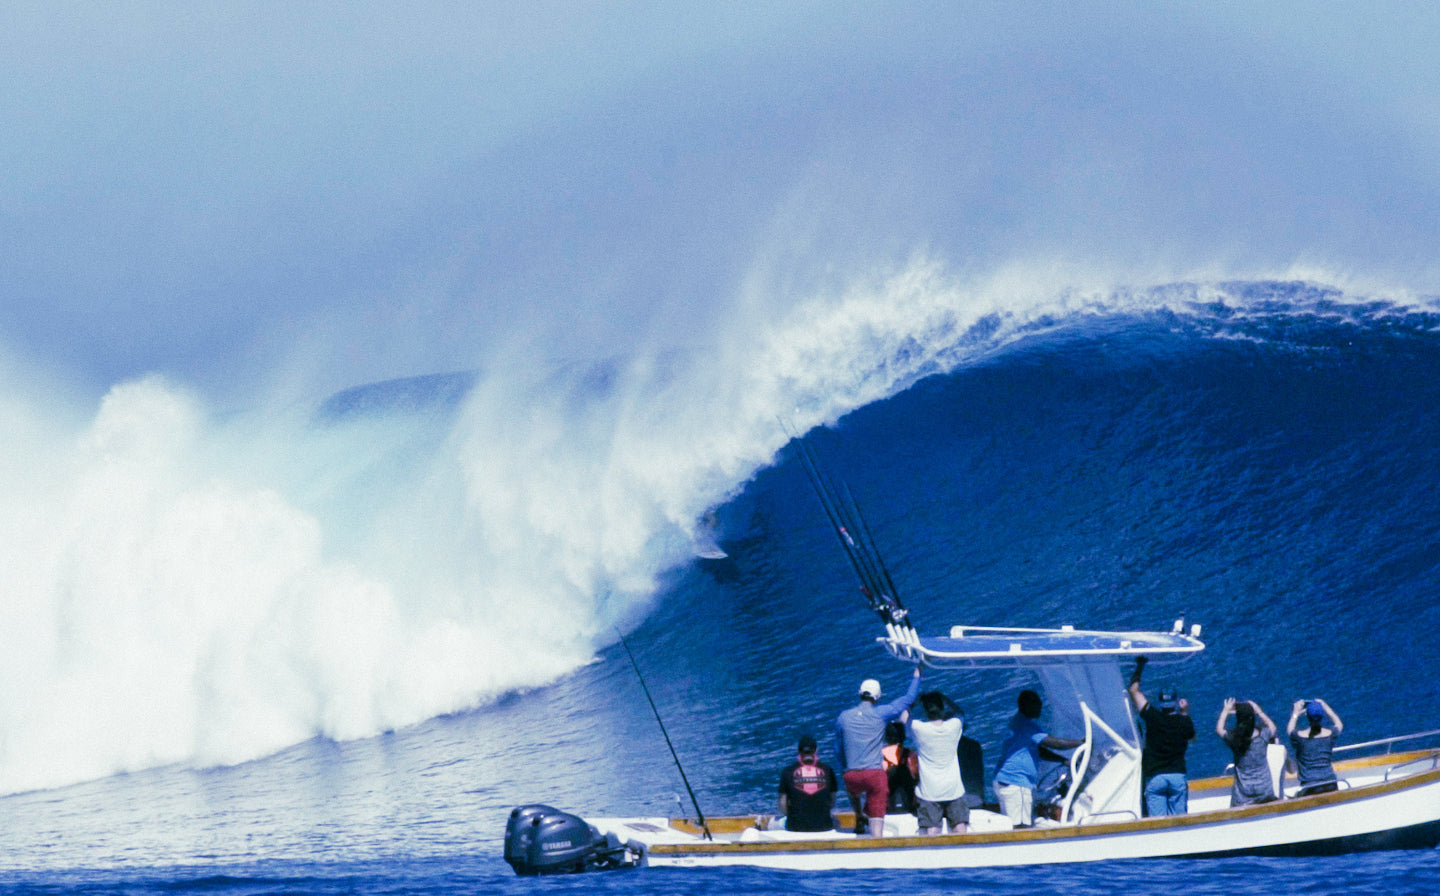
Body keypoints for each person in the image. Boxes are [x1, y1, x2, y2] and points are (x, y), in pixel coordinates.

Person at [836, 667, 922, 836]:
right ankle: (877, 838)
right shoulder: (880, 714)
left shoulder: (843, 717)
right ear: (878, 697)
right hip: (874, 775)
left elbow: (838, 752)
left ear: (859, 693)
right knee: (877, 808)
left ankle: (859, 815)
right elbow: (908, 698)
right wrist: (917, 675)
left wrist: (845, 771)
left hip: (851, 776)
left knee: (853, 788)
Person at [992, 689, 1084, 827]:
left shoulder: (1017, 723)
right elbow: (1055, 743)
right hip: (1017, 784)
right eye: (1037, 703)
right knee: (1021, 827)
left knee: (1014, 825)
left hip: (1006, 781)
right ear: (1026, 705)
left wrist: (1062, 760)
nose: (1041, 706)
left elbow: (1038, 751)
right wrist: (1081, 743)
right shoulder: (1027, 726)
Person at [1127, 656, 1196, 816]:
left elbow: (1133, 690)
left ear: (1160, 702)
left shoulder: (1152, 716)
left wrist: (1140, 665)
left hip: (1155, 776)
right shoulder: (1183, 721)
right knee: (1180, 822)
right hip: (1177, 775)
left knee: (1158, 823)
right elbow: (1192, 738)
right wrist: (1185, 713)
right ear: (1176, 702)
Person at [908, 691, 968, 835]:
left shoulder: (919, 729)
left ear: (926, 711)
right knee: (960, 828)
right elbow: (960, 712)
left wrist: (915, 701)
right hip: (954, 789)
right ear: (942, 709)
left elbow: (903, 716)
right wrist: (944, 697)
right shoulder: (953, 726)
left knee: (932, 831)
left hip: (930, 791)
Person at [1215, 698, 1279, 806]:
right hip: (1265, 790)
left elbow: (1219, 729)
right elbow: (1272, 727)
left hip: (1243, 794)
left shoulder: (1234, 739)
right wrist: (1259, 712)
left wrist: (1225, 711)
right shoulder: (1263, 735)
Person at [778, 734, 838, 832]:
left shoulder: (787, 771)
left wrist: (790, 817)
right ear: (816, 751)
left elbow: (783, 802)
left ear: (799, 752)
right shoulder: (828, 770)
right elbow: (832, 802)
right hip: (824, 826)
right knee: (837, 821)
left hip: (795, 826)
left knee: (772, 823)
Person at [1287, 698, 1344, 797]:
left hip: (1309, 787)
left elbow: (1290, 730)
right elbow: (1338, 723)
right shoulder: (1330, 734)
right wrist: (1324, 705)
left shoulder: (1299, 737)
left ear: (1308, 716)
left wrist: (1295, 713)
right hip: (1331, 784)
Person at [881, 722, 918, 814]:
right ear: (903, 736)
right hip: (908, 805)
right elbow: (916, 776)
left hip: (888, 808)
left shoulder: (880, 755)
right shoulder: (910, 754)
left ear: (886, 736)